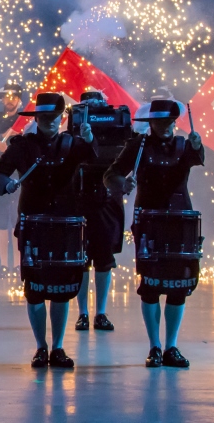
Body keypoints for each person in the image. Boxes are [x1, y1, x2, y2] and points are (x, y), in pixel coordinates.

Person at [0, 93, 95, 369]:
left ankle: (57, 347)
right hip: (33, 225)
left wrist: (89, 139)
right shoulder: (22, 146)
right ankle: (40, 347)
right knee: (34, 289)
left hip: (64, 226)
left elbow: (93, 162)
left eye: (53, 118)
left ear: (62, 118)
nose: (49, 122)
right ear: (37, 119)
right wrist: (6, 184)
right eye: (44, 118)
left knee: (61, 289)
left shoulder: (72, 143)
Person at [104, 99, 204, 368]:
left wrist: (198, 145)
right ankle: (155, 346)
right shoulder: (138, 147)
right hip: (149, 221)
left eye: (171, 122)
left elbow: (197, 158)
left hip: (181, 221)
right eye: (162, 123)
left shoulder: (184, 145)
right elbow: (111, 174)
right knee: (150, 286)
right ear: (152, 124)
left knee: (179, 286)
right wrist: (123, 184)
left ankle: (171, 345)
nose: (168, 127)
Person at [69, 91, 128, 332]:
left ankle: (100, 313)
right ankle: (83, 313)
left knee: (104, 261)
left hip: (107, 202)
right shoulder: (72, 134)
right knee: (81, 261)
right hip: (80, 201)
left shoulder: (118, 133)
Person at [0, 83, 24, 278]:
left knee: (18, 220)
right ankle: (3, 265)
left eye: (13, 96)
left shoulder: (26, 120)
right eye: (6, 97)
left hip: (19, 175)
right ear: (1, 99)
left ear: (19, 98)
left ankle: (17, 264)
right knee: (0, 221)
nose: (9, 100)